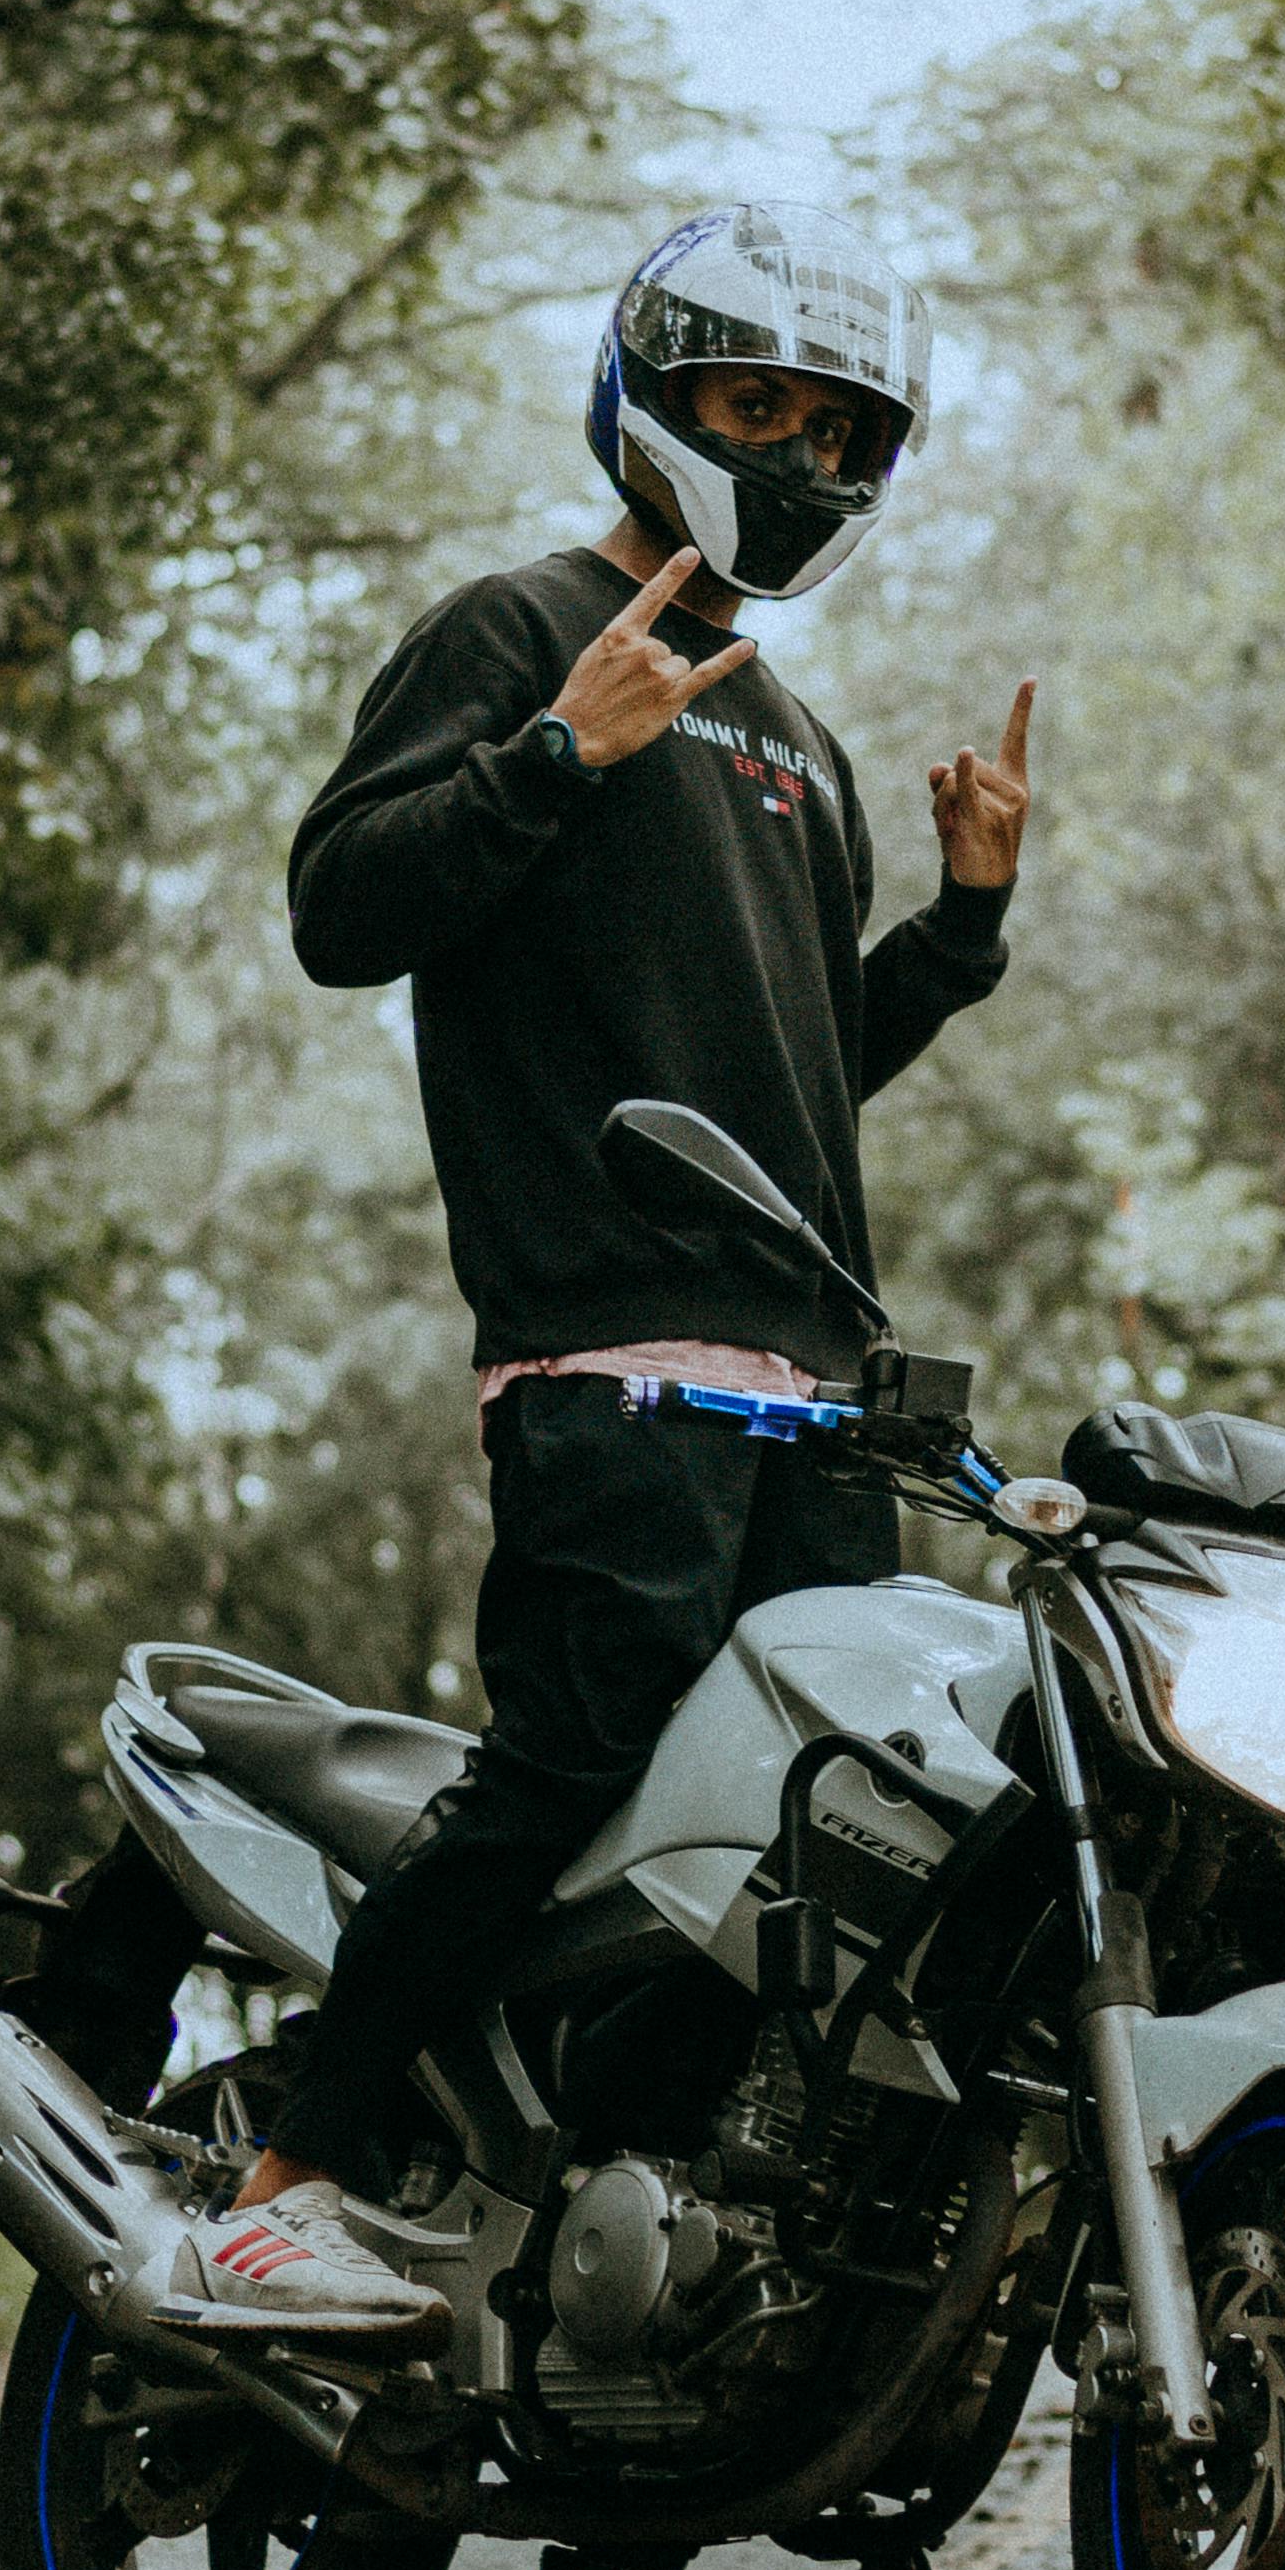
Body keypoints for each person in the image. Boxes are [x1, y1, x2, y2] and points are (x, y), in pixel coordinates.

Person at [181, 203, 1035, 2326]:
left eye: (837, 422)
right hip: (607, 1354)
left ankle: (654, 2206)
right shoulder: (521, 629)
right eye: (757, 404)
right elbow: (340, 903)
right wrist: (558, 745)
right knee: (566, 1764)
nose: (801, 450)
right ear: (654, 400)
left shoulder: (790, 735)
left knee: (829, 1837)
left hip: (813, 1390)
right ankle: (288, 2158)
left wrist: (958, 928)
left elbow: (795, 1071)